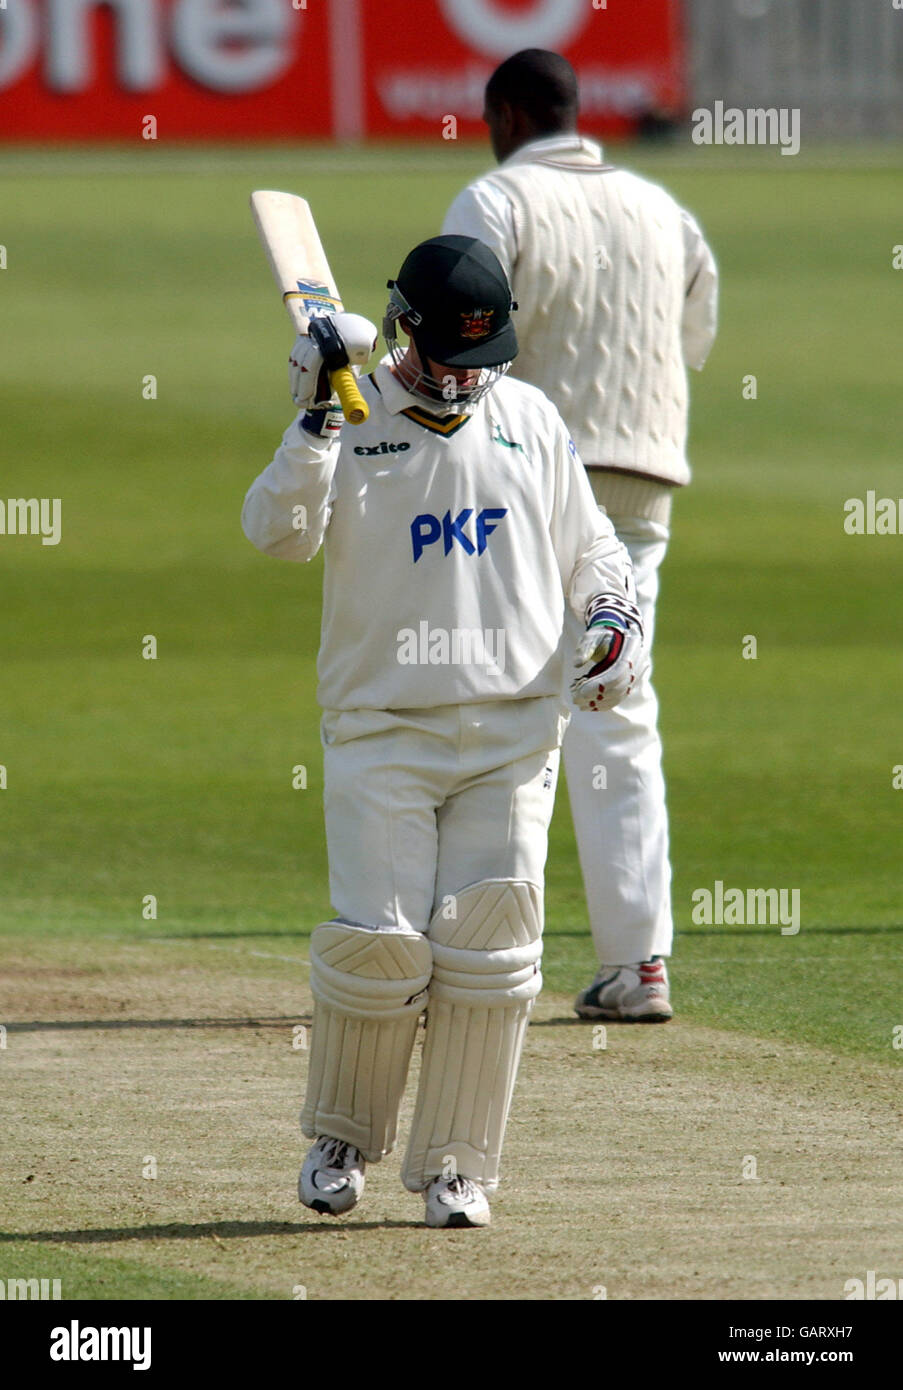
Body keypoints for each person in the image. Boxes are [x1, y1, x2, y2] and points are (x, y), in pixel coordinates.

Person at [241, 235, 645, 1226]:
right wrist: (311, 422)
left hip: (512, 733)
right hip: (382, 728)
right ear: (403, 330)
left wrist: (612, 615)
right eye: (448, 353)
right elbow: (274, 532)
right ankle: (342, 1137)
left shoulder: (530, 419)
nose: (466, 374)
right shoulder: (352, 414)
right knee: (379, 951)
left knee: (492, 957)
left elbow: (591, 542)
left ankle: (460, 1167)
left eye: (484, 352)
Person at [442, 49, 718, 1023]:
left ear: (509, 114)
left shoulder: (496, 200)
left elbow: (452, 341)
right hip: (642, 481)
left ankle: (469, 954)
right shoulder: (663, 209)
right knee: (615, 702)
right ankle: (639, 962)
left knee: (492, 703)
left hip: (527, 480)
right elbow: (694, 339)